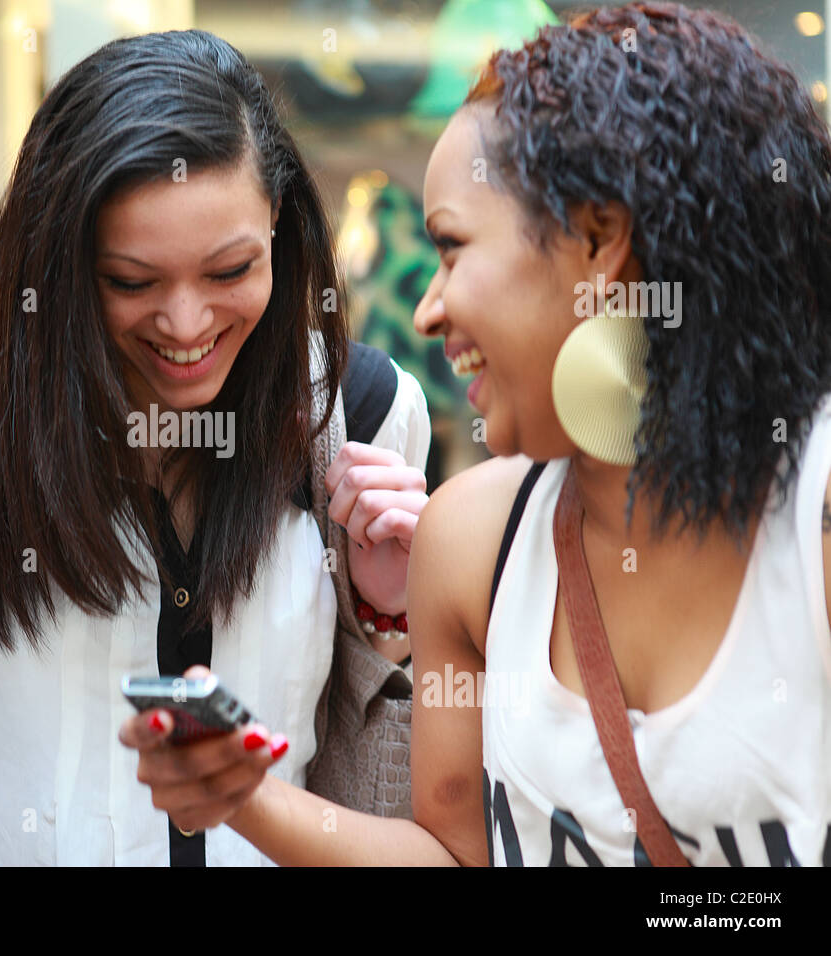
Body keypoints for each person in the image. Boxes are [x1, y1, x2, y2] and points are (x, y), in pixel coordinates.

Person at [123, 1, 831, 866]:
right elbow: (454, 854)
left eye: (453, 249)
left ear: (599, 240)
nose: (427, 310)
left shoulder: (813, 520)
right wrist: (247, 797)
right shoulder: (470, 541)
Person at [0, 29, 431, 866]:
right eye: (132, 281)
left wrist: (389, 617)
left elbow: (369, 769)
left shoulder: (357, 413)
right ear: (61, 265)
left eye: (230, 271)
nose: (186, 324)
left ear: (279, 223)